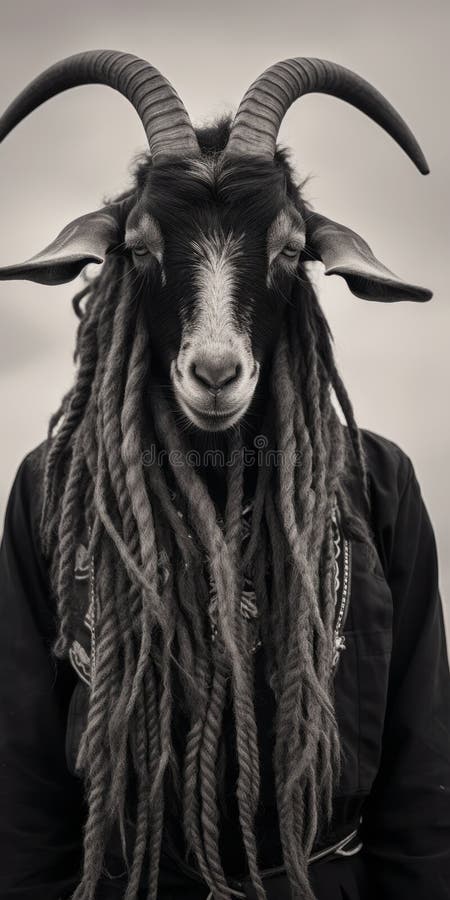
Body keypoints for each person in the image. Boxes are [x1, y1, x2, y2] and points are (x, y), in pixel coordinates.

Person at [0, 51, 449, 900]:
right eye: (147, 246)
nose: (215, 351)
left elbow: (424, 756)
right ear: (115, 262)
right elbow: (21, 766)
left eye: (275, 252)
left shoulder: (377, 486)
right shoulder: (57, 490)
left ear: (313, 266)